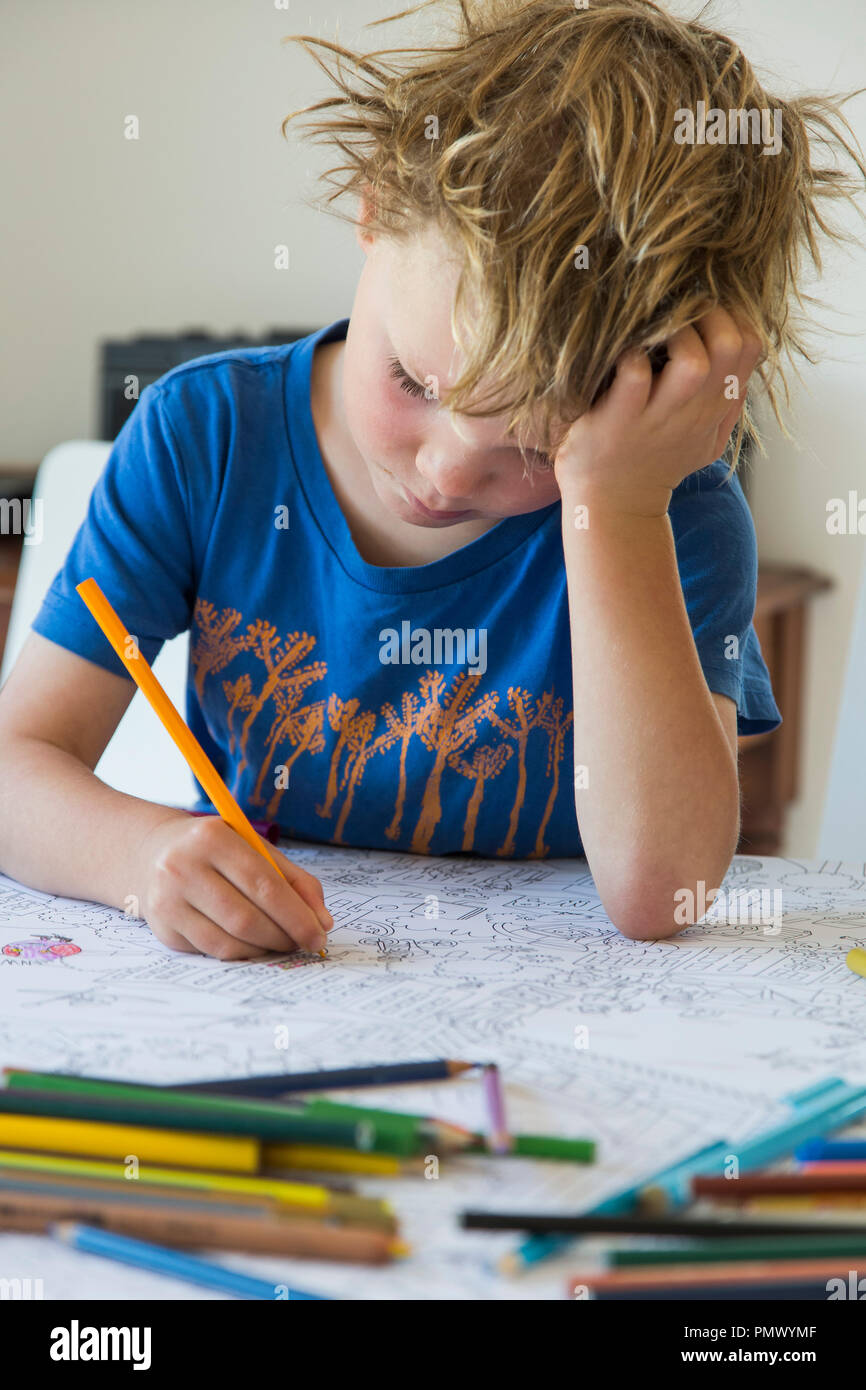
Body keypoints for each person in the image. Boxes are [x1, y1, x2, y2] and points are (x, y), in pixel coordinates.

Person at [0, 0, 862, 957]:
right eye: (413, 380)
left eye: (539, 449)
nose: (446, 472)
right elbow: (14, 768)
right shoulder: (202, 437)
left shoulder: (676, 514)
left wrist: (614, 508)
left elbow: (669, 894)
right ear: (374, 209)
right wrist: (140, 855)